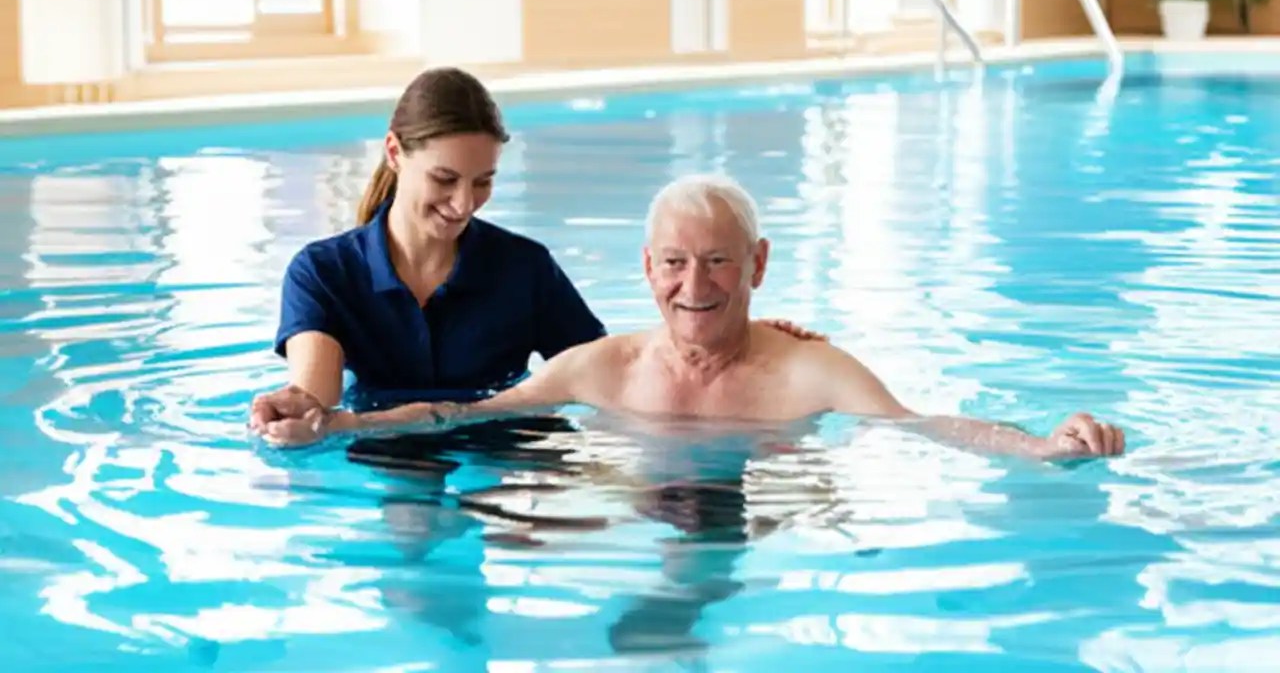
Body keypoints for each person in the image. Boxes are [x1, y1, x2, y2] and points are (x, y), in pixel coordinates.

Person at [256, 173, 1126, 462]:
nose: (694, 284)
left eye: (717, 262)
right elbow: (461, 414)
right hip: (633, 511)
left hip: (768, 502)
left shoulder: (809, 371)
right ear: (647, 270)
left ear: (757, 265)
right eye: (674, 263)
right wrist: (335, 424)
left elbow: (926, 427)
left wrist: (1044, 445)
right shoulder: (604, 368)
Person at [249, 67, 820, 428]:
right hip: (387, 450)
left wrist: (736, 335)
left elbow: (614, 371)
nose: (464, 204)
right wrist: (300, 409)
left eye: (483, 182)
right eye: (445, 180)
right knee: (412, 528)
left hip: (512, 453)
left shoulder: (522, 268)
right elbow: (316, 392)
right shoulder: (323, 273)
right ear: (395, 153)